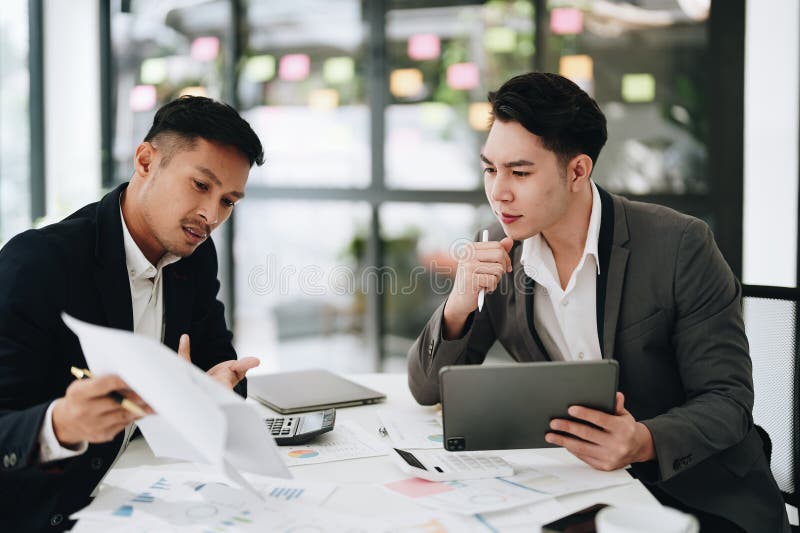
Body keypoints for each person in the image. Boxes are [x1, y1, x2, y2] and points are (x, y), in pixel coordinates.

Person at [407, 72, 789, 533]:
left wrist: (643, 440)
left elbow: (728, 400)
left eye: (520, 173)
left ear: (577, 171)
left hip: (695, 497)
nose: (498, 192)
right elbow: (427, 389)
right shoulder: (499, 247)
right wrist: (459, 303)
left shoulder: (679, 244)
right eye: (491, 169)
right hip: (575, 491)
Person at [0, 96, 263, 532]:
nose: (211, 215)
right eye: (201, 185)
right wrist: (59, 425)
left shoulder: (195, 257)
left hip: (138, 495)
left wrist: (212, 393)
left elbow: (218, 361)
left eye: (229, 201)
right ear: (145, 161)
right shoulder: (38, 264)